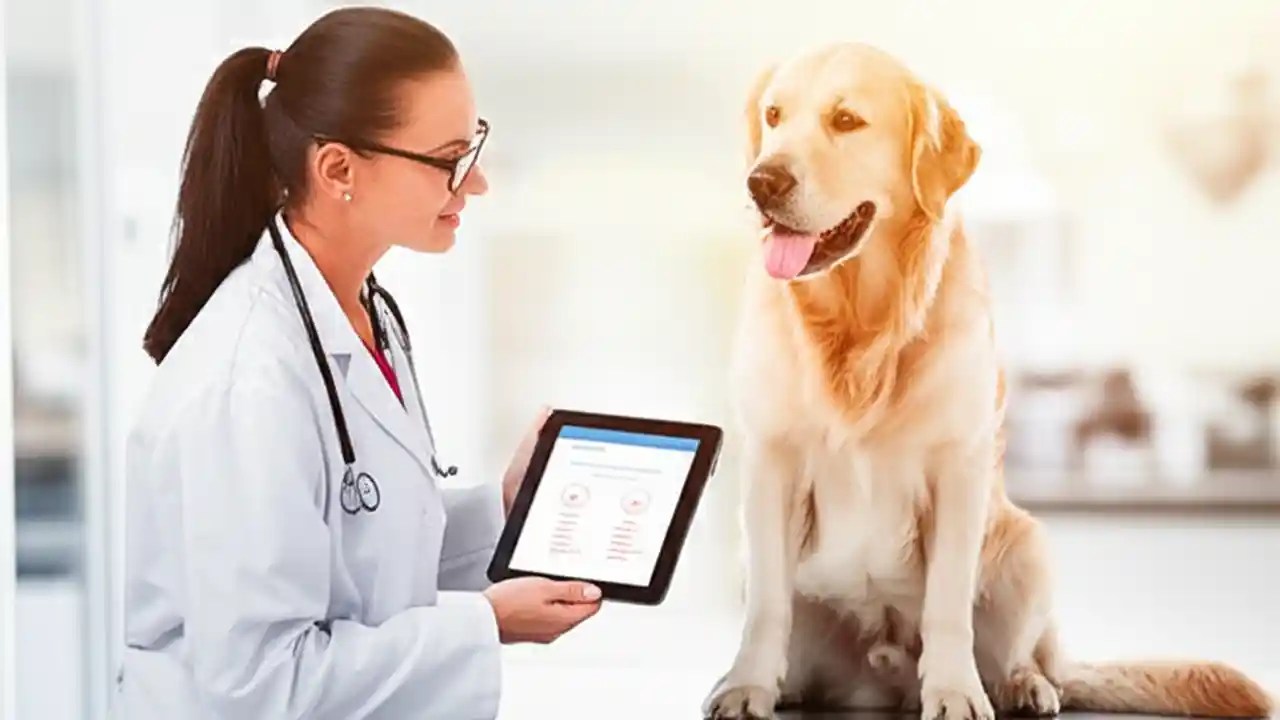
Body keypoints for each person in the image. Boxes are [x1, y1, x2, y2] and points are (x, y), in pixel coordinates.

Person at [115, 7, 602, 719]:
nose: (476, 184)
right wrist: (486, 623)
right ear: (339, 169)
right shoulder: (251, 376)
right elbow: (263, 683)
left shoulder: (361, 312)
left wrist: (505, 510)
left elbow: (360, 552)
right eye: (448, 160)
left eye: (474, 148)